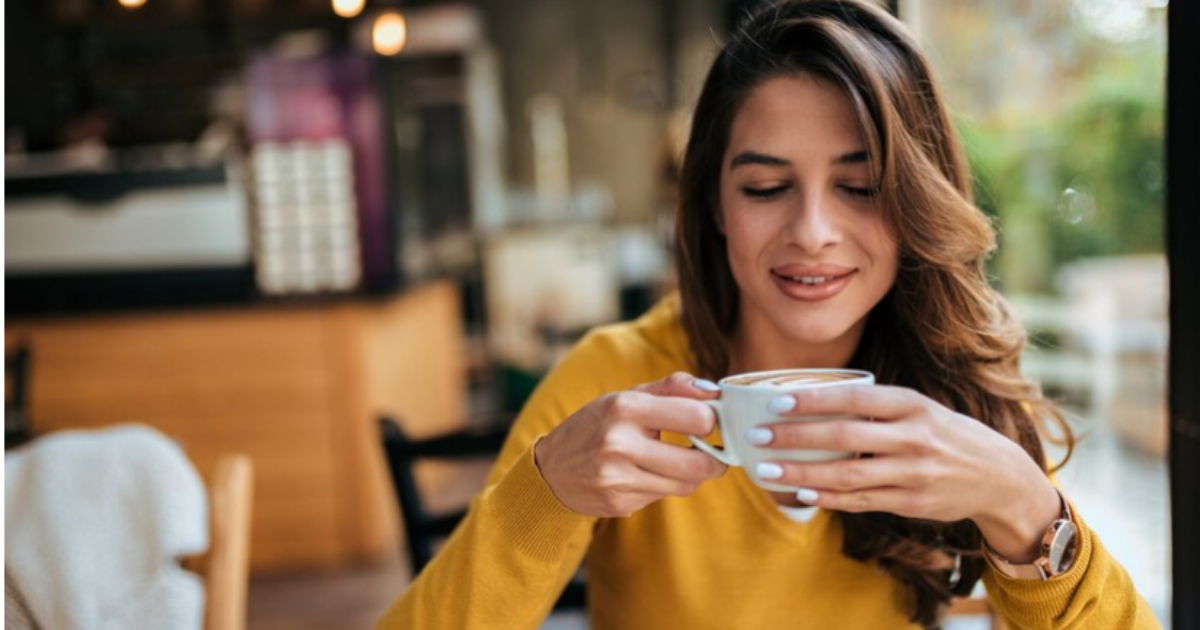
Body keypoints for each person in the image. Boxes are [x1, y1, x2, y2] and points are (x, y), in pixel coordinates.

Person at [376, 1, 1160, 628]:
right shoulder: (617, 377)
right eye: (764, 187)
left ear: (917, 201)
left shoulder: (962, 386)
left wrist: (1022, 503)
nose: (813, 231)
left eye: (860, 186)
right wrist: (545, 493)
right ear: (715, 205)